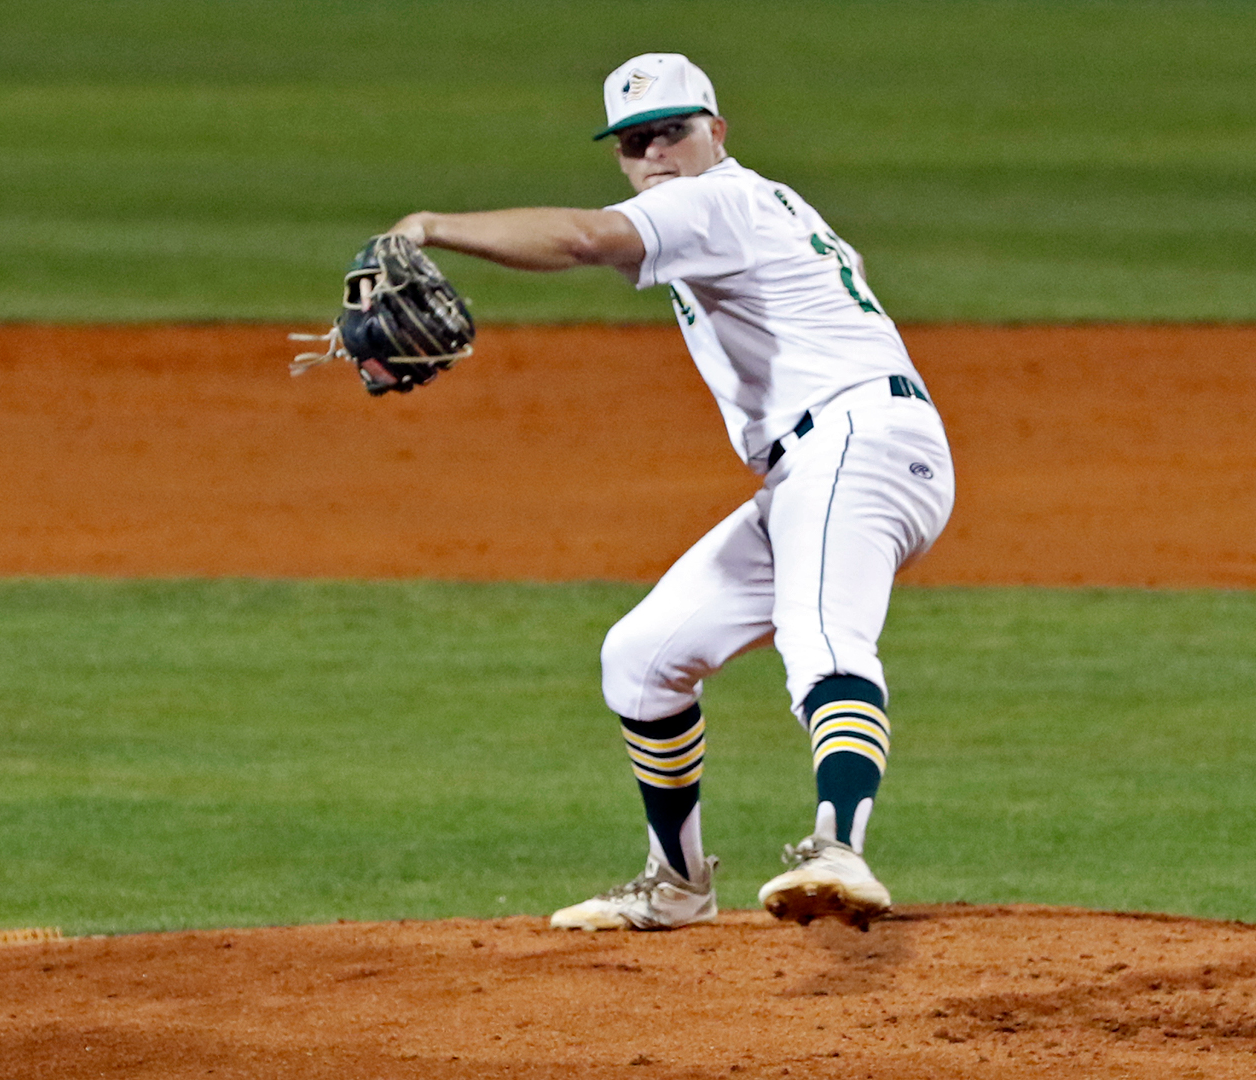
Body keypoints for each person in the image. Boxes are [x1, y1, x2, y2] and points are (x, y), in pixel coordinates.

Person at [387, 53, 955, 931]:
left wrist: (428, 226)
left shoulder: (717, 197)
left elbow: (581, 239)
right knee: (642, 657)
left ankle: (840, 845)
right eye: (634, 143)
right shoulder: (742, 205)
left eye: (674, 132)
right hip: (817, 464)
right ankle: (679, 884)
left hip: (860, 442)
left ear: (716, 133)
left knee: (823, 636)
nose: (656, 155)